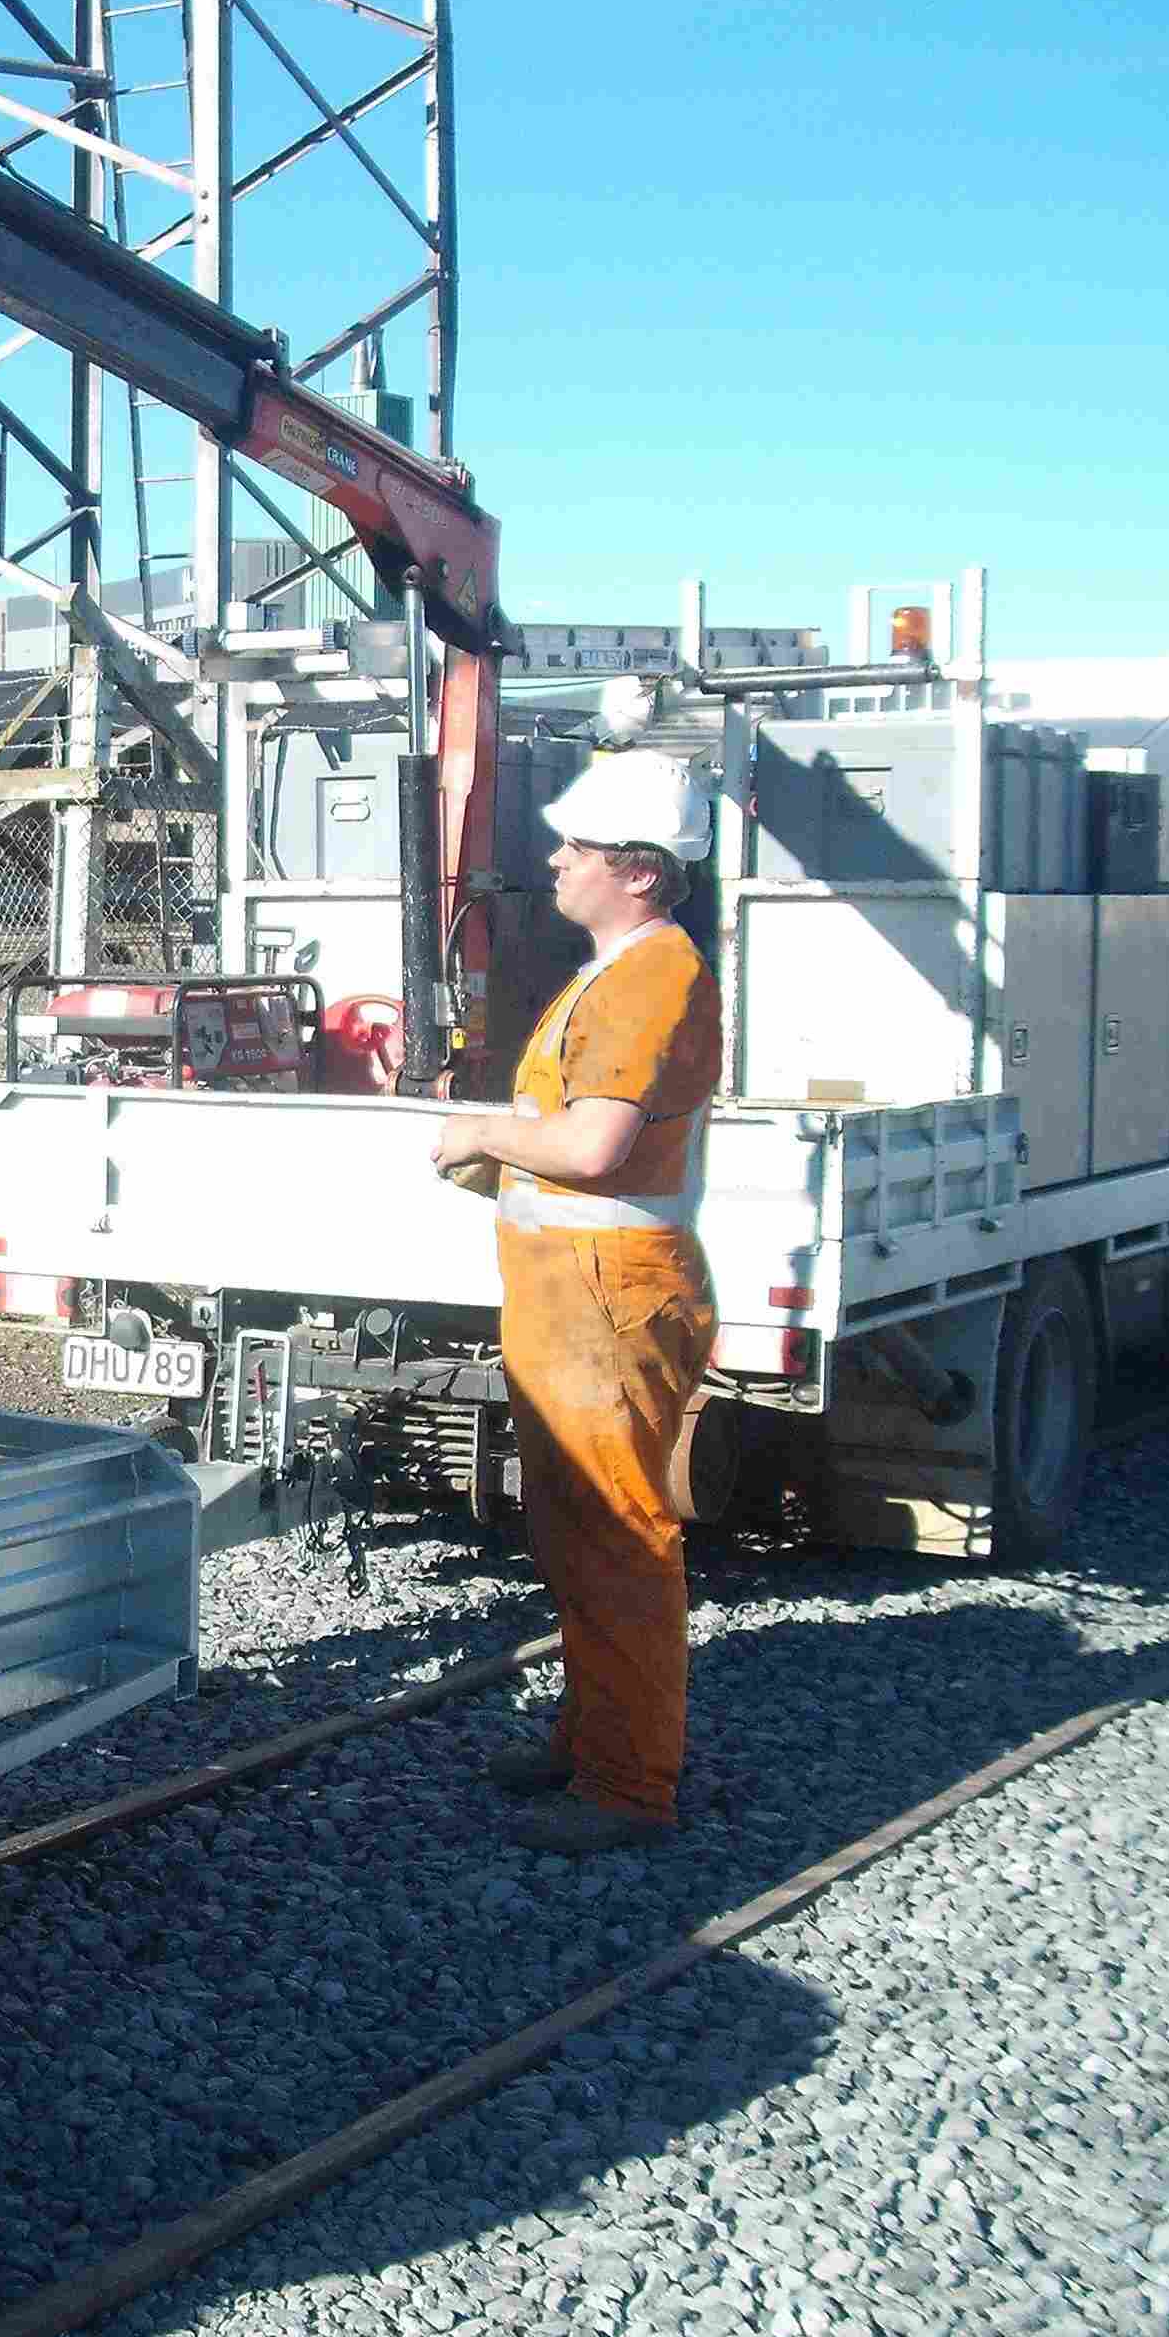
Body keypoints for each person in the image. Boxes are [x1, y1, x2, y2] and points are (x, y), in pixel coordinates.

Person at [430, 749, 723, 1855]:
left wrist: (483, 1135)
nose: (554, 861)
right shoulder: (616, 969)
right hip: (573, 1299)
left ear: (639, 872)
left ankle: (628, 1787)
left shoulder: (651, 976)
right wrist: (508, 1157)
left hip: (609, 1299)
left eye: (579, 848)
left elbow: (596, 1144)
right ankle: (591, 1738)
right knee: (574, 1531)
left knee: (617, 1540)